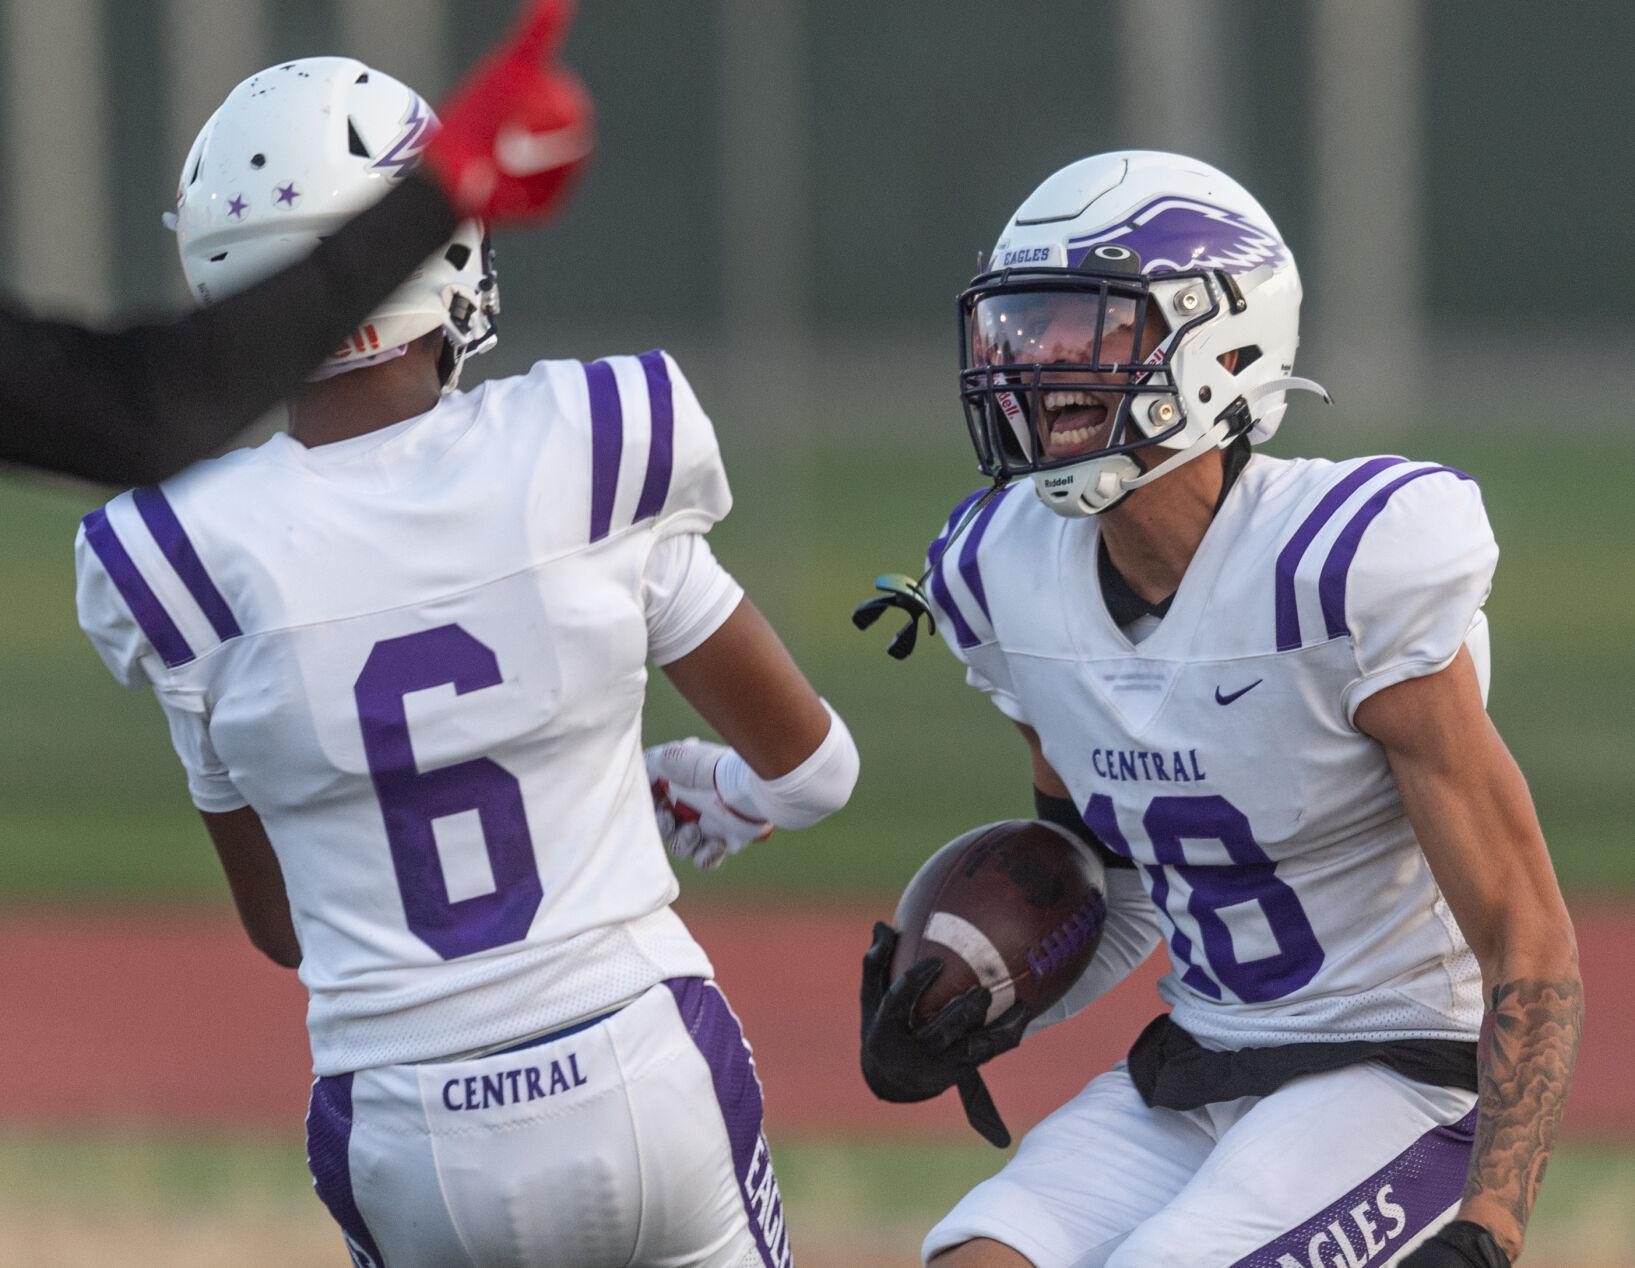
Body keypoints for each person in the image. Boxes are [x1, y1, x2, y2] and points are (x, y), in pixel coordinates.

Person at [74, 52, 856, 1268]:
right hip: (640, 1067)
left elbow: (286, 926)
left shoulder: (172, 557)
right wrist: (708, 785)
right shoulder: (592, 444)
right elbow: (814, 769)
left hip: (408, 1119)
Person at [857, 151, 1579, 1268]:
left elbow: (1525, 927)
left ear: (1219, 345)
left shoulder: (1344, 567)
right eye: (1019, 332)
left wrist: (1492, 1224)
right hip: (1201, 1058)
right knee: (973, 1255)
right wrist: (983, 994)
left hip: (1399, 1075)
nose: (1031, 370)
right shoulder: (1004, 576)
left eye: (1080, 333)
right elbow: (1113, 882)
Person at [1, 0, 588, 487]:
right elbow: (140, 407)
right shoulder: (598, 432)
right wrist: (440, 190)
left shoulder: (163, 547)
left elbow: (139, 408)